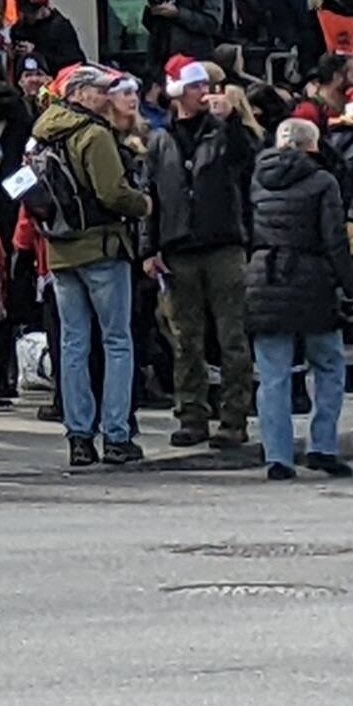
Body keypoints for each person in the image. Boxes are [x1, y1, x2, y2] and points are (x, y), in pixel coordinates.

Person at [33, 65, 149, 469]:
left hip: (60, 250)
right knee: (117, 341)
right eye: (100, 90)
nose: (106, 95)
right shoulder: (94, 134)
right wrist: (144, 203)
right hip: (101, 246)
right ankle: (116, 434)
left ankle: (78, 436)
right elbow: (113, 193)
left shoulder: (43, 132)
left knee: (73, 344)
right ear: (80, 94)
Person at [147, 60, 258, 458]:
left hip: (222, 243)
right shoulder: (161, 139)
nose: (205, 93)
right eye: (197, 87)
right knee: (184, 339)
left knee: (232, 336)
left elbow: (246, 161)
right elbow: (153, 196)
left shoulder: (223, 133)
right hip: (179, 248)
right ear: (178, 92)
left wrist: (230, 122)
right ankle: (191, 415)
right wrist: (150, 248)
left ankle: (234, 418)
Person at [245, 114, 353, 481]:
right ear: (314, 144)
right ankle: (322, 446)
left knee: (272, 373)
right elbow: (334, 238)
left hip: (265, 273)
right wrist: (351, 288)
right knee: (328, 363)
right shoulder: (323, 180)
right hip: (312, 278)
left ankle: (277, 455)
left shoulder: (258, 178)